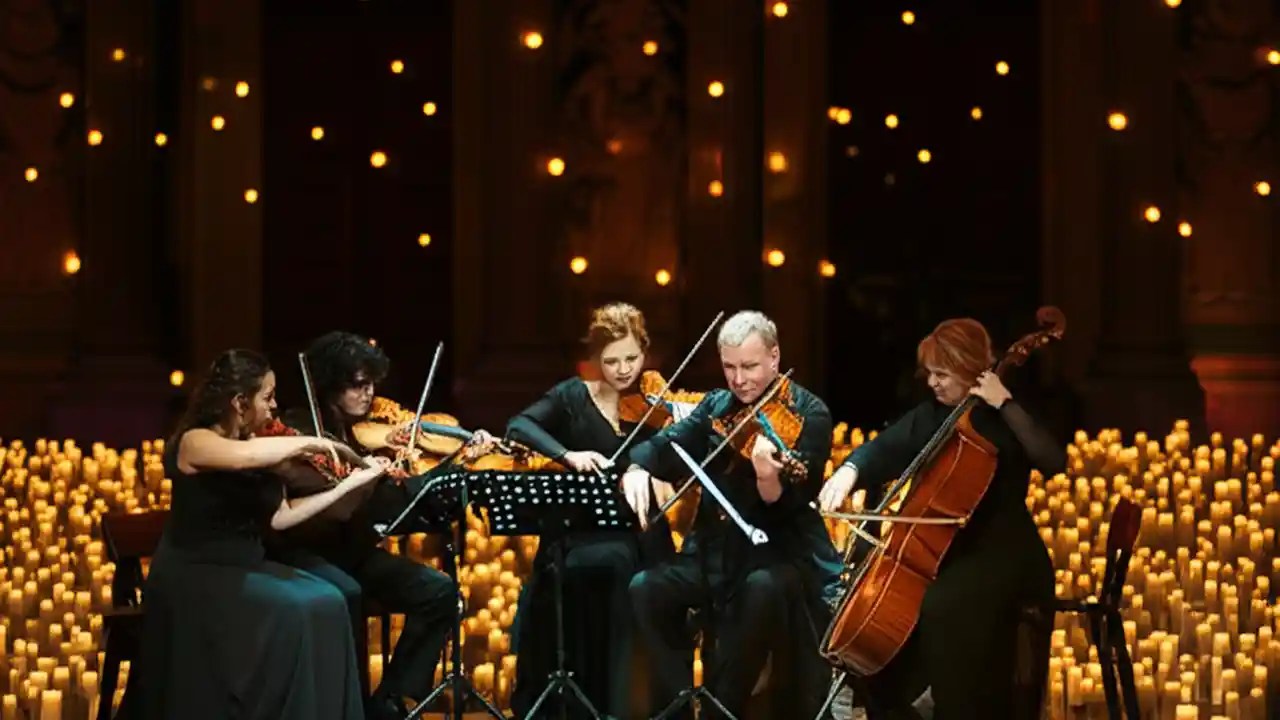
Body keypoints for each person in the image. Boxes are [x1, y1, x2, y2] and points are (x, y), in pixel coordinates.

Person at [817, 317, 1065, 719]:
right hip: (952, 553)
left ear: (971, 370)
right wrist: (851, 470)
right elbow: (888, 447)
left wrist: (1004, 402)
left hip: (1005, 552)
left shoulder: (1008, 412)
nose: (933, 383)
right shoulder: (934, 415)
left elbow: (1053, 461)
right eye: (929, 374)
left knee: (942, 607)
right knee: (907, 611)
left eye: (943, 375)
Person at [138, 349, 388, 720]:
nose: (274, 408)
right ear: (240, 402)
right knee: (299, 608)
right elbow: (243, 458)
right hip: (194, 573)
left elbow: (281, 518)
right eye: (267, 397)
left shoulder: (262, 446)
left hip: (246, 565)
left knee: (332, 600)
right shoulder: (196, 441)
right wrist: (317, 442)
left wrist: (350, 484)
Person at [620, 310, 841, 720]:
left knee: (762, 591)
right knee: (645, 589)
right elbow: (669, 444)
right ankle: (677, 705)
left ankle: (725, 709)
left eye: (750, 367)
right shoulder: (716, 405)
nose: (739, 380)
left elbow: (793, 500)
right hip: (712, 554)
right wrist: (639, 467)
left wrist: (767, 479)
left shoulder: (810, 414)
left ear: (775, 358)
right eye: (729, 367)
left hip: (774, 557)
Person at [269, 331, 465, 720]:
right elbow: (324, 506)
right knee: (348, 594)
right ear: (329, 386)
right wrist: (365, 477)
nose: (368, 394)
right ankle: (348, 705)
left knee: (440, 591)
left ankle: (390, 700)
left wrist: (430, 473)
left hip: (351, 552)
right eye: (357, 385)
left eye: (371, 384)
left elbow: (383, 510)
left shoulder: (362, 434)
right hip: (305, 555)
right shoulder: (298, 429)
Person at [505, 302, 676, 719]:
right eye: (611, 360)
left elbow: (672, 472)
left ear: (645, 353)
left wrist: (658, 473)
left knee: (628, 570)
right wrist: (568, 454)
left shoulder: (656, 405)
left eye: (632, 358)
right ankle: (586, 701)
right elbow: (518, 426)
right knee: (594, 566)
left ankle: (628, 702)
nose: (623, 370)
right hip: (580, 531)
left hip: (641, 533)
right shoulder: (572, 397)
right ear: (596, 359)